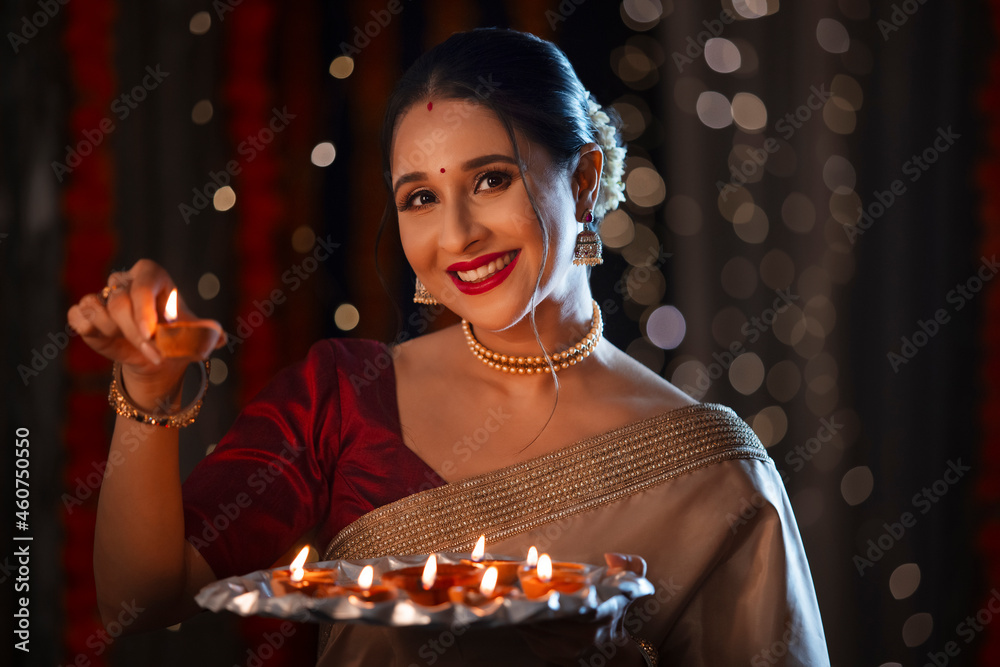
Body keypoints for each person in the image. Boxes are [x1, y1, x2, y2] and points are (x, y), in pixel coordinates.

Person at [68, 28, 830, 666]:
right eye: (420, 198)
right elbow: (139, 598)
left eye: (491, 180)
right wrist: (147, 392)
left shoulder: (712, 470)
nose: (457, 234)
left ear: (587, 182)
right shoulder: (345, 398)